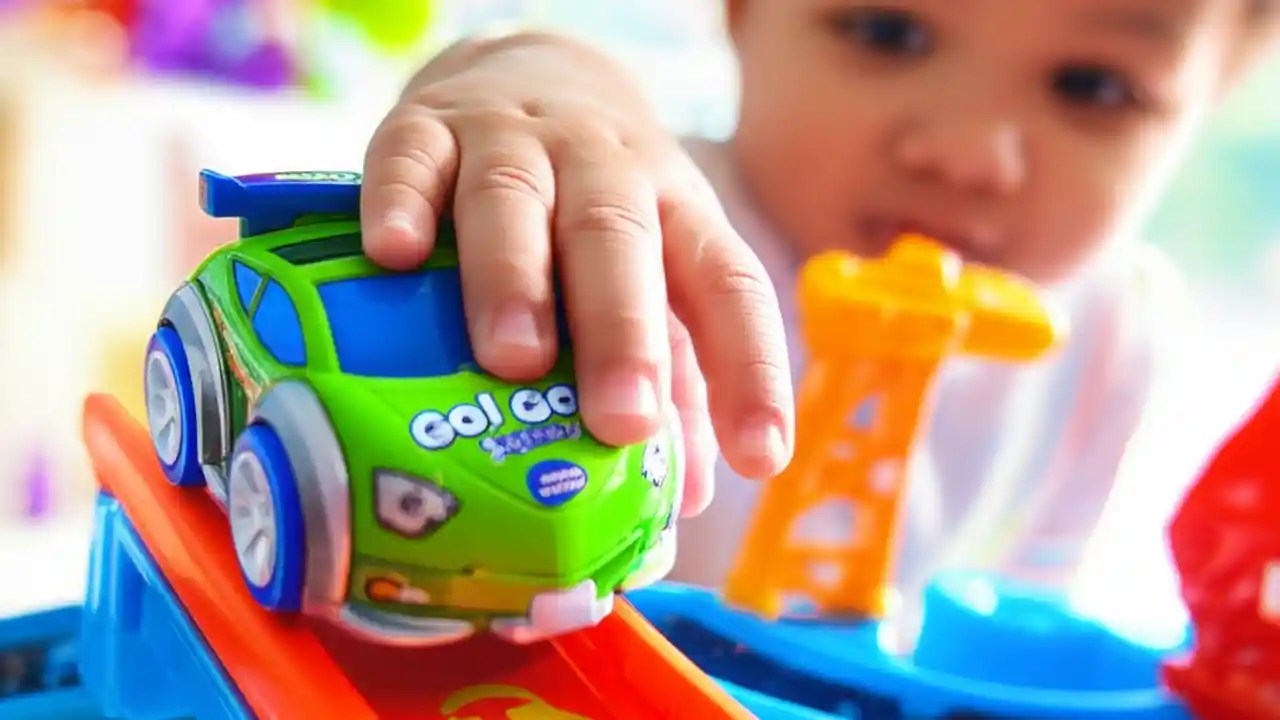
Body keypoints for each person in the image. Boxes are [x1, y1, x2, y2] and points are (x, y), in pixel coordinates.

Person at [354, 1, 1279, 601]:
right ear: (740, 12)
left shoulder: (1113, 340)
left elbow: (1016, 613)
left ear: (1209, 102)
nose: (967, 153)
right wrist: (534, 79)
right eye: (888, 32)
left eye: (1093, 87)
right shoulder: (638, 218)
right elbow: (540, 79)